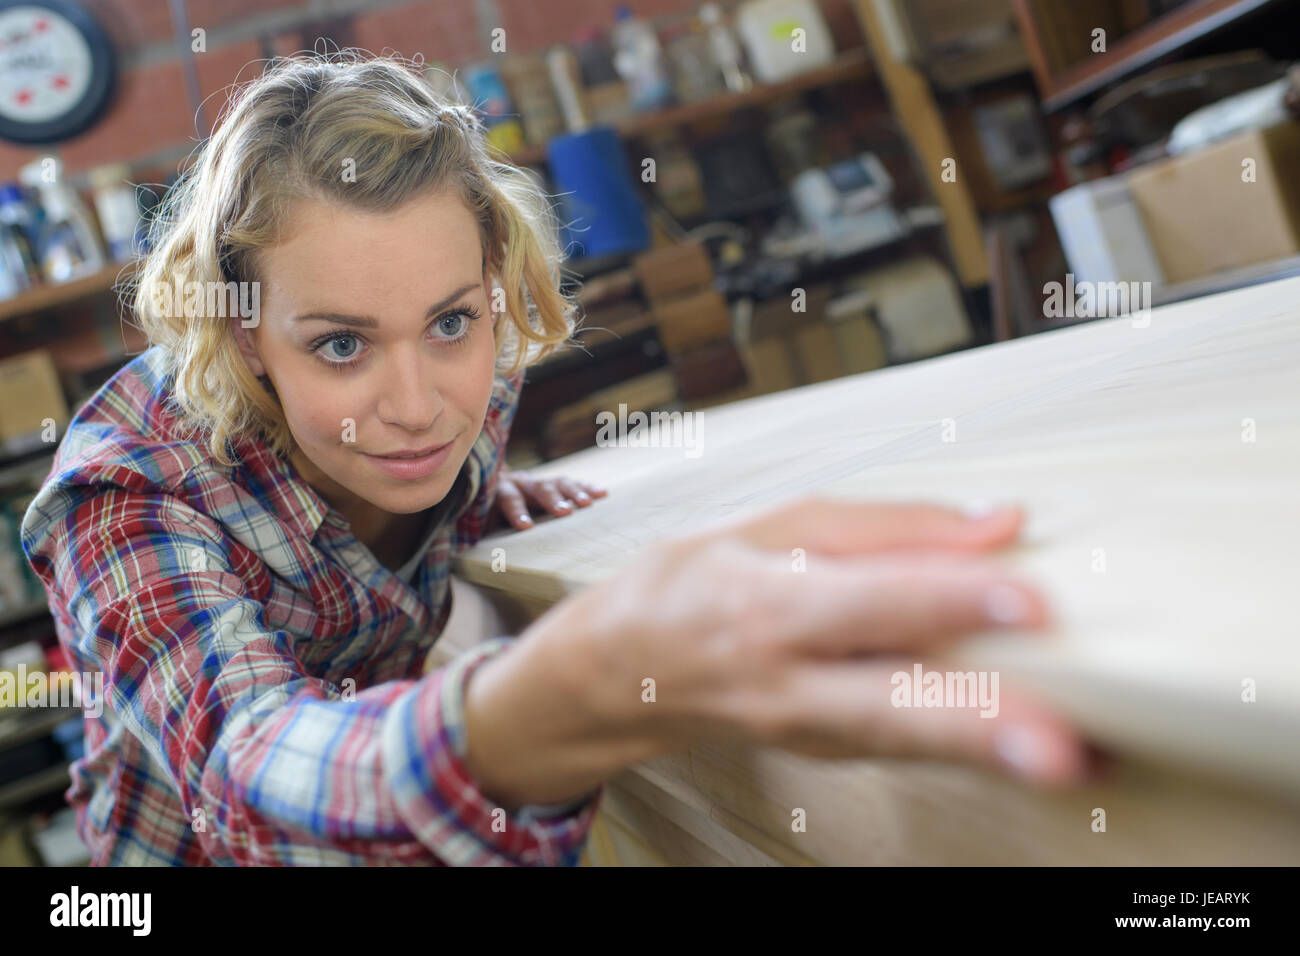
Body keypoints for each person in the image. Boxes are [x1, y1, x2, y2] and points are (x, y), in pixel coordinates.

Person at [21, 53, 1089, 866]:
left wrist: (476, 506)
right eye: (339, 344)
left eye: (452, 321)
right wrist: (569, 688)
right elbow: (245, 772)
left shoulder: (466, 381)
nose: (418, 406)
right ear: (248, 334)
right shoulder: (122, 491)